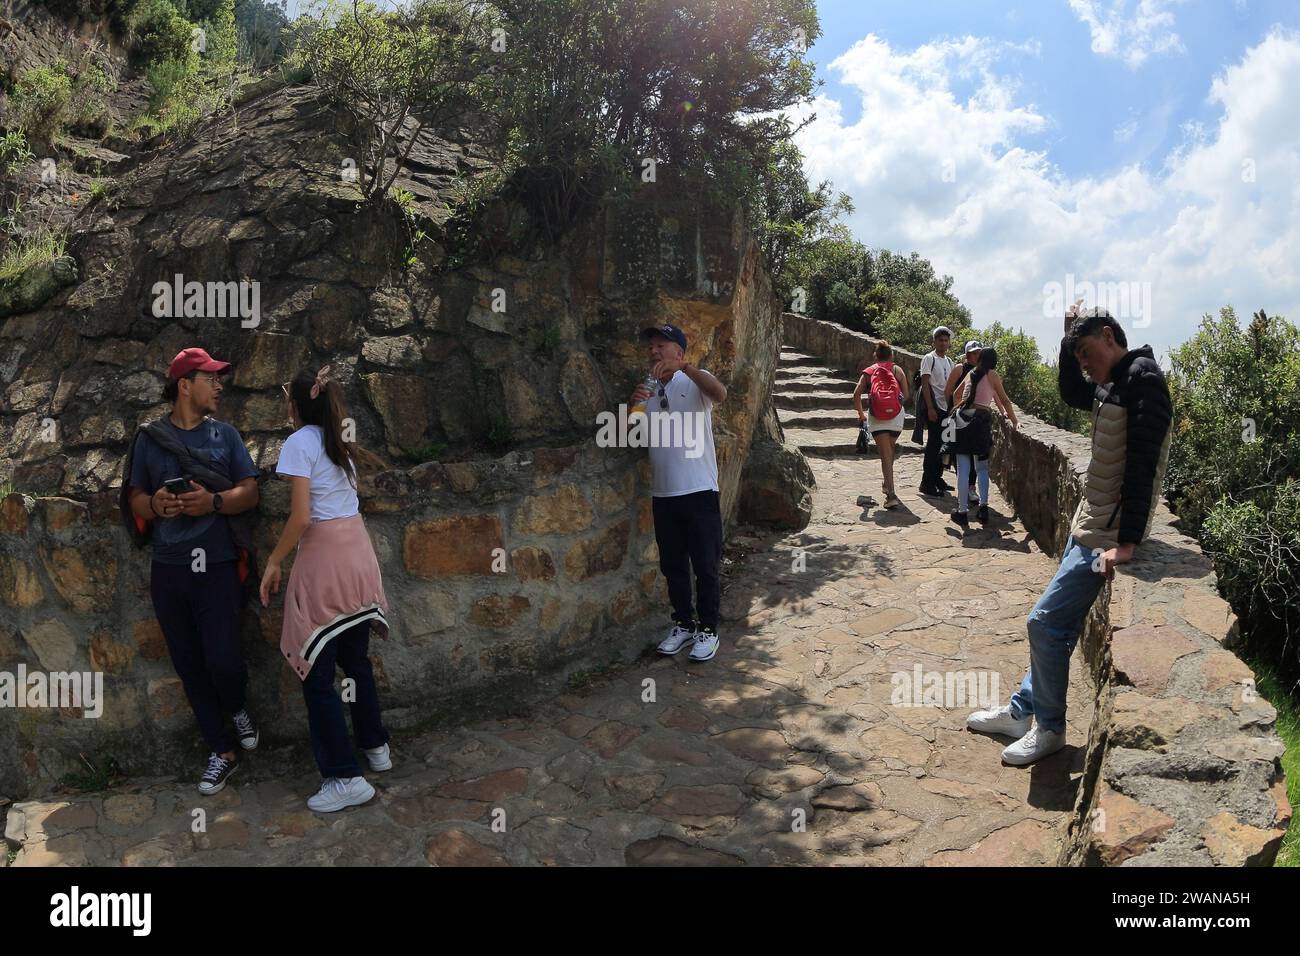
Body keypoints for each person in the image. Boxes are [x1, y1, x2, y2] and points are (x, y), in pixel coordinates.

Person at [966, 309, 1172, 765]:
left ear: (1109, 336)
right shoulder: (1113, 381)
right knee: (1053, 626)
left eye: (1086, 351)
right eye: (1077, 355)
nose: (1083, 362)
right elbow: (1070, 392)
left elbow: (1143, 464)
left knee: (1045, 624)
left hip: (1108, 532)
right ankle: (1022, 712)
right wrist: (1066, 342)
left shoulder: (1144, 381)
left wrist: (1130, 542)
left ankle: (1051, 729)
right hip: (1089, 520)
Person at [123, 348, 261, 795]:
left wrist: (214, 502)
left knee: (223, 659)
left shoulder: (227, 436)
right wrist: (156, 505)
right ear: (185, 385)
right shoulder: (149, 439)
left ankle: (237, 707)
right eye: (211, 378)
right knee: (189, 665)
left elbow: (251, 492)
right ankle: (222, 751)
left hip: (218, 567)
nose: (219, 385)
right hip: (168, 570)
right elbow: (135, 496)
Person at [260, 366, 392, 812]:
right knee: (355, 659)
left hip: (327, 562)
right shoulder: (340, 444)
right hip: (359, 556)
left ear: (295, 405)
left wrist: (274, 560)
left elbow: (301, 518)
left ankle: (343, 776)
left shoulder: (299, 443)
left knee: (316, 673)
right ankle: (375, 747)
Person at [630, 323, 728, 663]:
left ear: (680, 353)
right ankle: (684, 624)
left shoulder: (694, 380)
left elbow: (720, 394)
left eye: (662, 345)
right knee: (672, 566)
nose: (654, 351)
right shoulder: (649, 389)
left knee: (705, 565)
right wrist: (635, 407)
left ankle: (709, 629)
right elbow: (635, 434)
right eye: (651, 347)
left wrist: (687, 369)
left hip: (699, 490)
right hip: (664, 494)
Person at [948, 346, 1018, 527]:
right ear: (994, 361)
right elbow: (1004, 400)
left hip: (963, 420)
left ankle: (962, 511)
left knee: (963, 469)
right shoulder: (992, 374)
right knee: (982, 467)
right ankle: (983, 508)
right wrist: (1015, 421)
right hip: (981, 421)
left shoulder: (971, 372)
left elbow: (956, 395)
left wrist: (961, 410)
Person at [854, 340, 909, 509]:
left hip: (877, 418)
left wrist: (862, 415)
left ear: (875, 356)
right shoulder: (897, 370)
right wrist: (894, 405)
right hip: (896, 418)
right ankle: (887, 484)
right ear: (891, 355)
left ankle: (891, 495)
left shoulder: (869, 372)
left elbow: (856, 394)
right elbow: (906, 395)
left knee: (885, 456)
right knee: (889, 452)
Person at [917, 326, 955, 496]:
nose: (943, 343)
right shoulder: (928, 358)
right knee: (933, 446)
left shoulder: (949, 361)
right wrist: (930, 407)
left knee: (945, 445)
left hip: (947, 409)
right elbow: (925, 383)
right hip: (935, 408)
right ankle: (926, 482)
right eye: (940, 340)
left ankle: (938, 478)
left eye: (946, 340)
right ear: (934, 341)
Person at [944, 341, 983, 502]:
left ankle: (970, 488)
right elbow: (949, 392)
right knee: (958, 454)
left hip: (975, 419)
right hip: (959, 418)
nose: (977, 355)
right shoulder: (960, 369)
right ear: (967, 355)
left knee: (973, 454)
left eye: (979, 352)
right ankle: (966, 486)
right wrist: (953, 413)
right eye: (974, 353)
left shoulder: (982, 371)